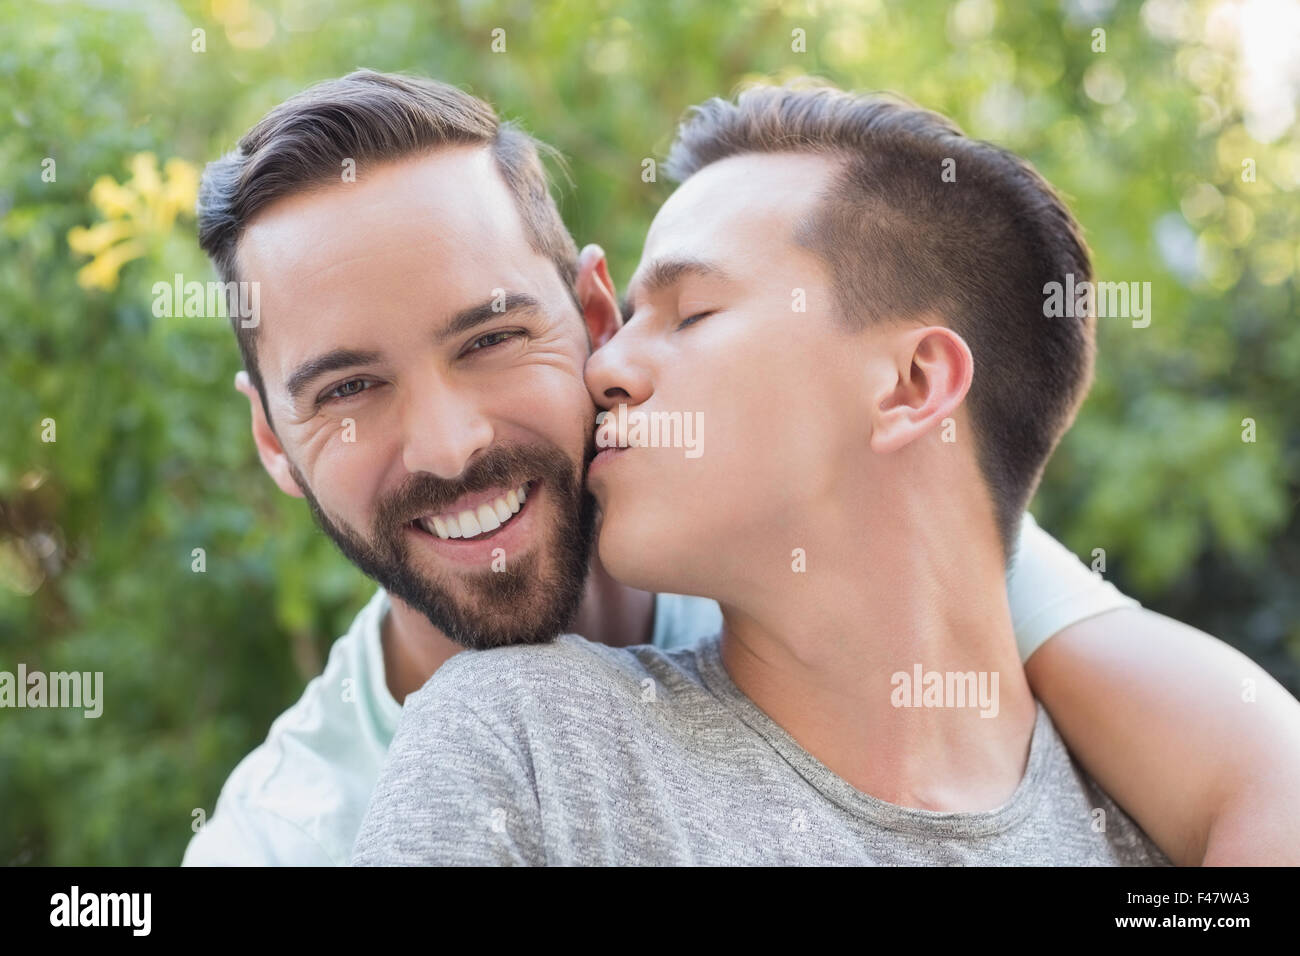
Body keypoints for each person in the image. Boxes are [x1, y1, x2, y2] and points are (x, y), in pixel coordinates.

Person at [182, 71, 1297, 866]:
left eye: (488, 339)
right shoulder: (294, 831)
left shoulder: (843, 527)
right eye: (344, 389)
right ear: (272, 441)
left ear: (589, 316)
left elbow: (1260, 764)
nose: (449, 443)